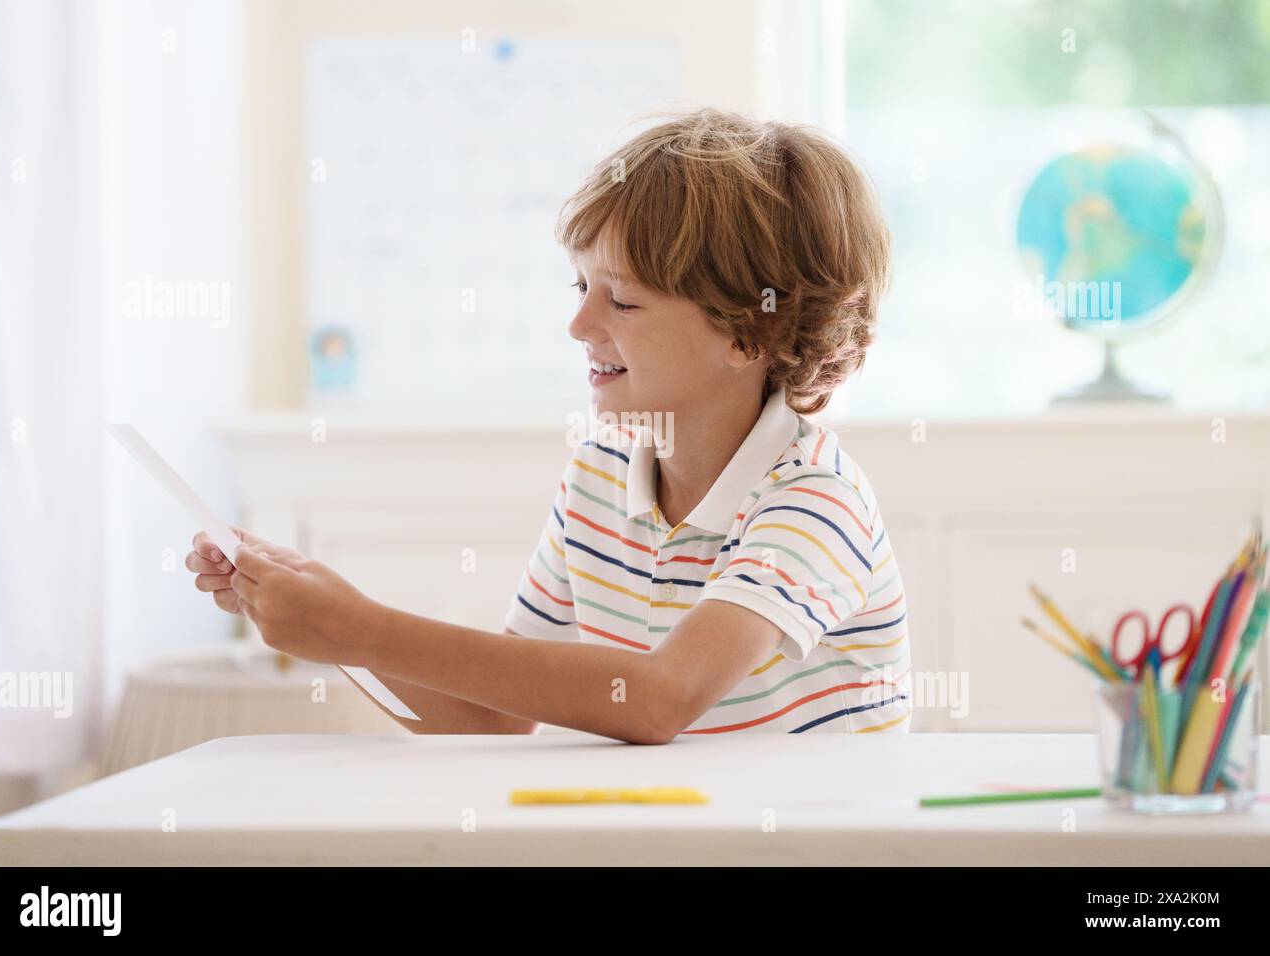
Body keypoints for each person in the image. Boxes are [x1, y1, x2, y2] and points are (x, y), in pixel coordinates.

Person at [188, 108, 909, 741]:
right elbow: (494, 719)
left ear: (749, 335)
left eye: (622, 302)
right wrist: (331, 634)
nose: (578, 325)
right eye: (580, 286)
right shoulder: (599, 478)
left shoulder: (815, 499)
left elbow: (659, 699)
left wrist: (359, 625)